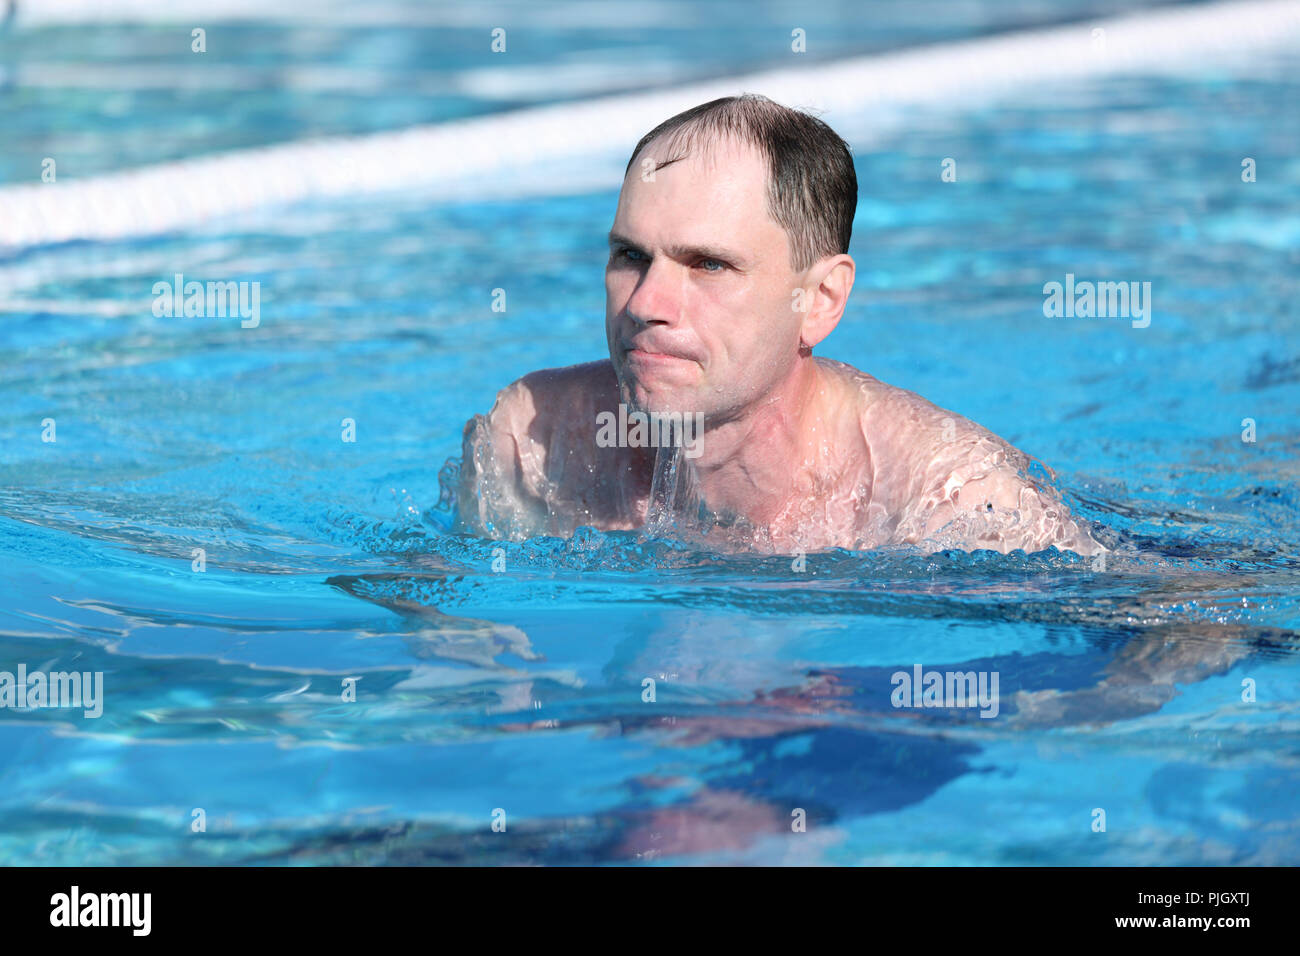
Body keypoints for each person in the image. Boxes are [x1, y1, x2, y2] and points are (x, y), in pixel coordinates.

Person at [458, 94, 1103, 556]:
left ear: (820, 299)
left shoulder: (954, 503)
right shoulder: (537, 443)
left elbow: (1160, 640)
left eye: (708, 264)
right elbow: (461, 646)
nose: (646, 302)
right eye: (631, 255)